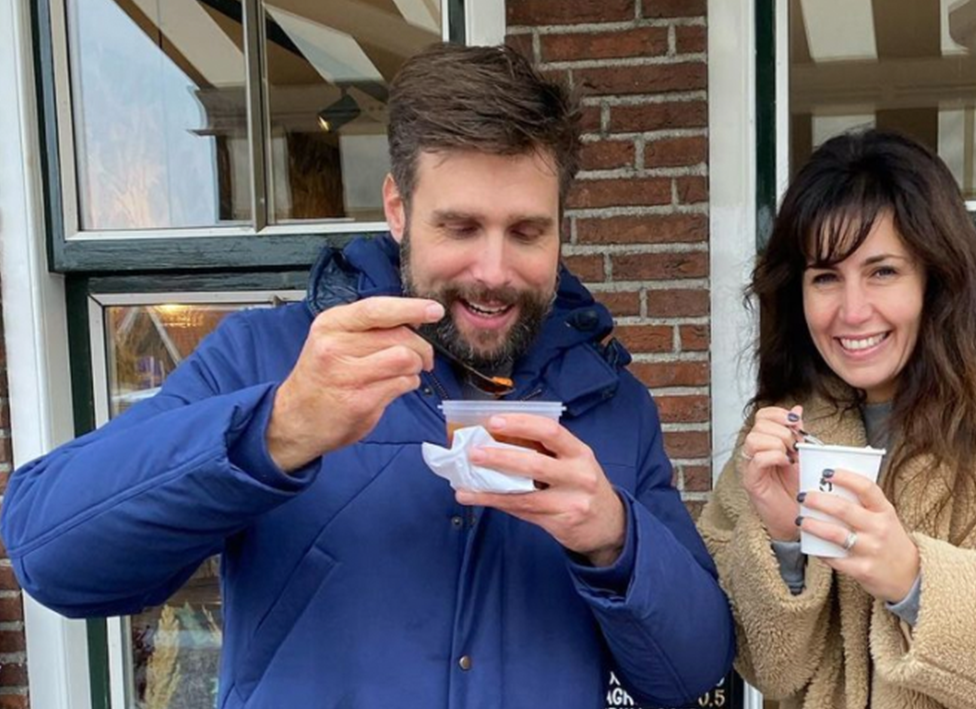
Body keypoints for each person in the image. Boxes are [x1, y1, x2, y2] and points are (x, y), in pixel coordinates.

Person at [2, 43, 733, 708]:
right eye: (459, 226)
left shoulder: (612, 403)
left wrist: (613, 536)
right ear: (397, 208)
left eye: (526, 231)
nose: (492, 270)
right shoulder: (269, 355)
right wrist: (277, 428)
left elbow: (691, 669)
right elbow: (51, 554)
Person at [698, 129, 976, 709]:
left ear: (936, 277)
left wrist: (914, 581)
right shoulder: (781, 432)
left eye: (882, 271)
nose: (852, 312)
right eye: (826, 277)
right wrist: (782, 542)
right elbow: (768, 669)